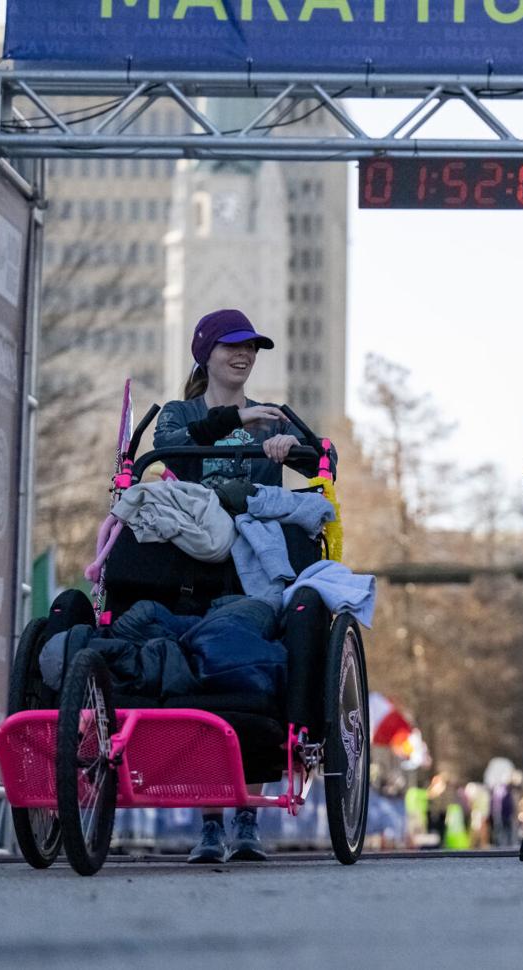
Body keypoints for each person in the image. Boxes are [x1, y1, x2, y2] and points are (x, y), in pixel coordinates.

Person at [154, 307, 328, 864]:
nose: (244, 354)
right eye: (233, 345)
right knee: (207, 685)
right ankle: (210, 825)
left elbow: (324, 461)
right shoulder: (179, 413)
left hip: (250, 567)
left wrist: (289, 450)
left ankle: (248, 816)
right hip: (190, 568)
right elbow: (175, 452)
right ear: (206, 352)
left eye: (252, 346)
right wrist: (237, 423)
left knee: (249, 678)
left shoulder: (273, 417)